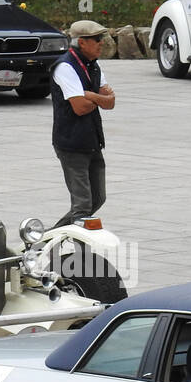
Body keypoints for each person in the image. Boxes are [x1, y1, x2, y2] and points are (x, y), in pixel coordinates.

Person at [50, 19, 114, 227]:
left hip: (92, 141)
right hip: (71, 144)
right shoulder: (65, 67)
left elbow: (110, 102)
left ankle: (47, 238)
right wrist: (97, 98)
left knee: (98, 198)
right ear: (82, 42)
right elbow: (79, 108)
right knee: (83, 204)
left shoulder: (93, 66)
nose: (101, 43)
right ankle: (63, 244)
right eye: (97, 39)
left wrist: (90, 95)